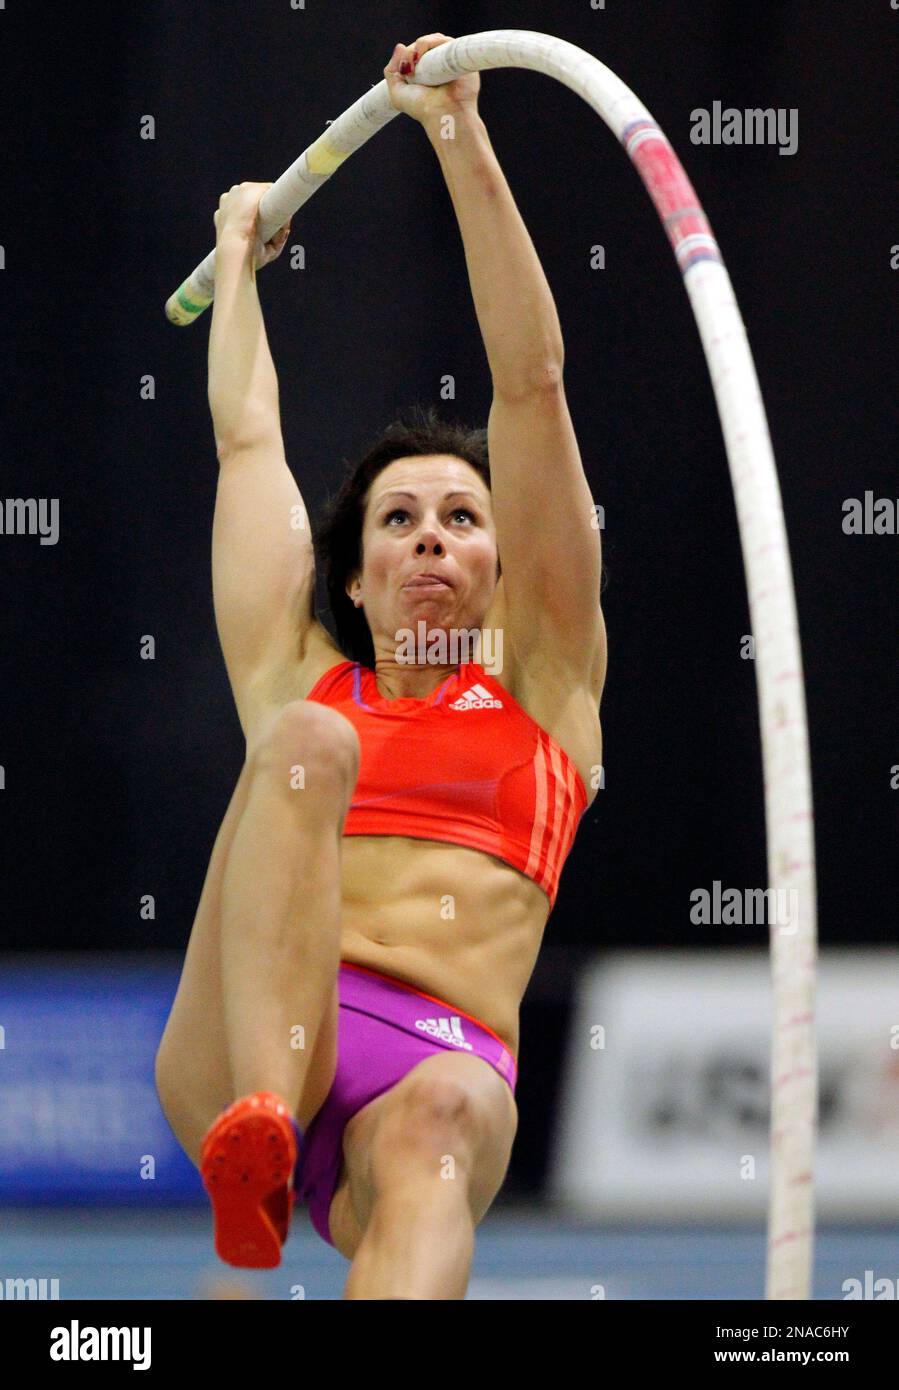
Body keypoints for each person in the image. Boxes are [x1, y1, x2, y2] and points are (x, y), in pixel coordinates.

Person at [154, 32, 607, 1300]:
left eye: (462, 517)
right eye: (397, 519)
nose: (430, 537)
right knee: (304, 741)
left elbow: (531, 383)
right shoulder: (301, 674)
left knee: (444, 1117)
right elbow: (248, 441)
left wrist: (457, 134)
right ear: (351, 578)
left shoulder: (546, 689)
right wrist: (237, 259)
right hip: (251, 1050)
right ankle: (257, 1134)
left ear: (502, 567)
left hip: (431, 1067)